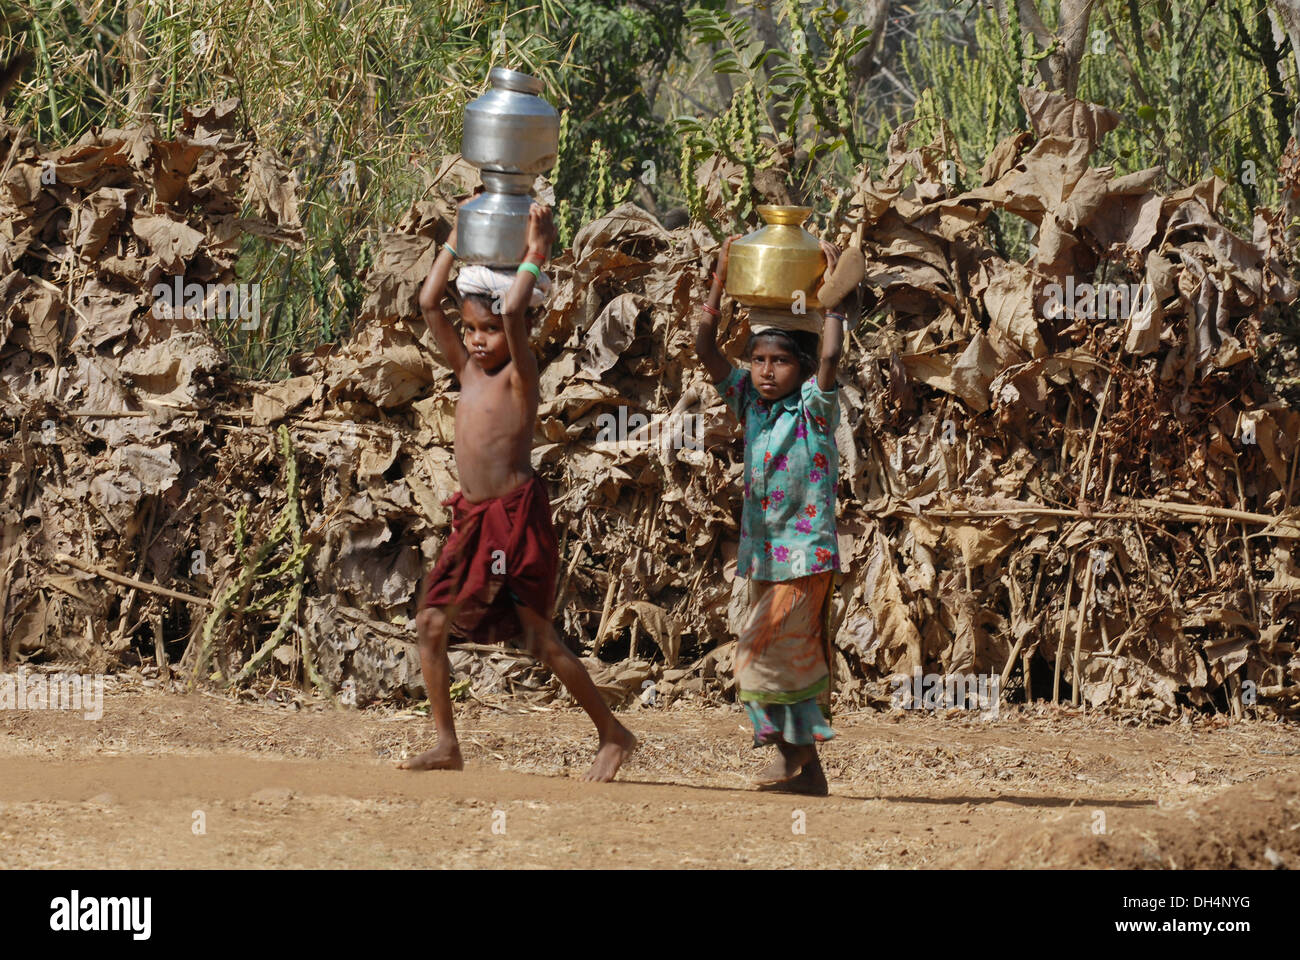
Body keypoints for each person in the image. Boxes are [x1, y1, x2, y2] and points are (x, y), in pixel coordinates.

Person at [400, 200, 636, 782]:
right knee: (431, 624)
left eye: (489, 330)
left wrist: (537, 250)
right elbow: (429, 302)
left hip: (515, 518)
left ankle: (612, 733)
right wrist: (456, 238)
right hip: (474, 519)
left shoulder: (519, 373)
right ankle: (446, 743)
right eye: (471, 329)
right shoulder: (467, 369)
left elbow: (510, 311)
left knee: (538, 638)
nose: (479, 339)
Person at [694, 233, 847, 796]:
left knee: (759, 654)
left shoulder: (813, 407)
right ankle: (809, 776)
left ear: (800, 367)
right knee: (790, 661)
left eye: (779, 361)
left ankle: (794, 755)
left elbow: (830, 355)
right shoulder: (749, 403)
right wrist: (720, 274)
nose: (765, 370)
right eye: (758, 359)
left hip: (806, 555)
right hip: (764, 557)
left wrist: (832, 297)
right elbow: (705, 347)